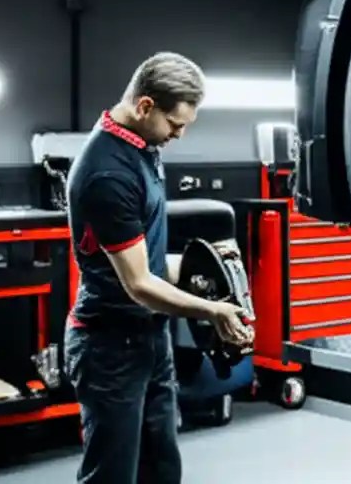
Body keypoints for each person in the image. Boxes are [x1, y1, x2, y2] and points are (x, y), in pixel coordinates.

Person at [62, 51, 252, 484]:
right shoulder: (107, 173)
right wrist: (214, 311)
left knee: (162, 470)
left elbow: (150, 259)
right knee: (112, 475)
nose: (179, 135)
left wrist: (210, 267)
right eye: (175, 125)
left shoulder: (142, 145)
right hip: (109, 348)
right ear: (145, 106)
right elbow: (140, 283)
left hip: (150, 338)